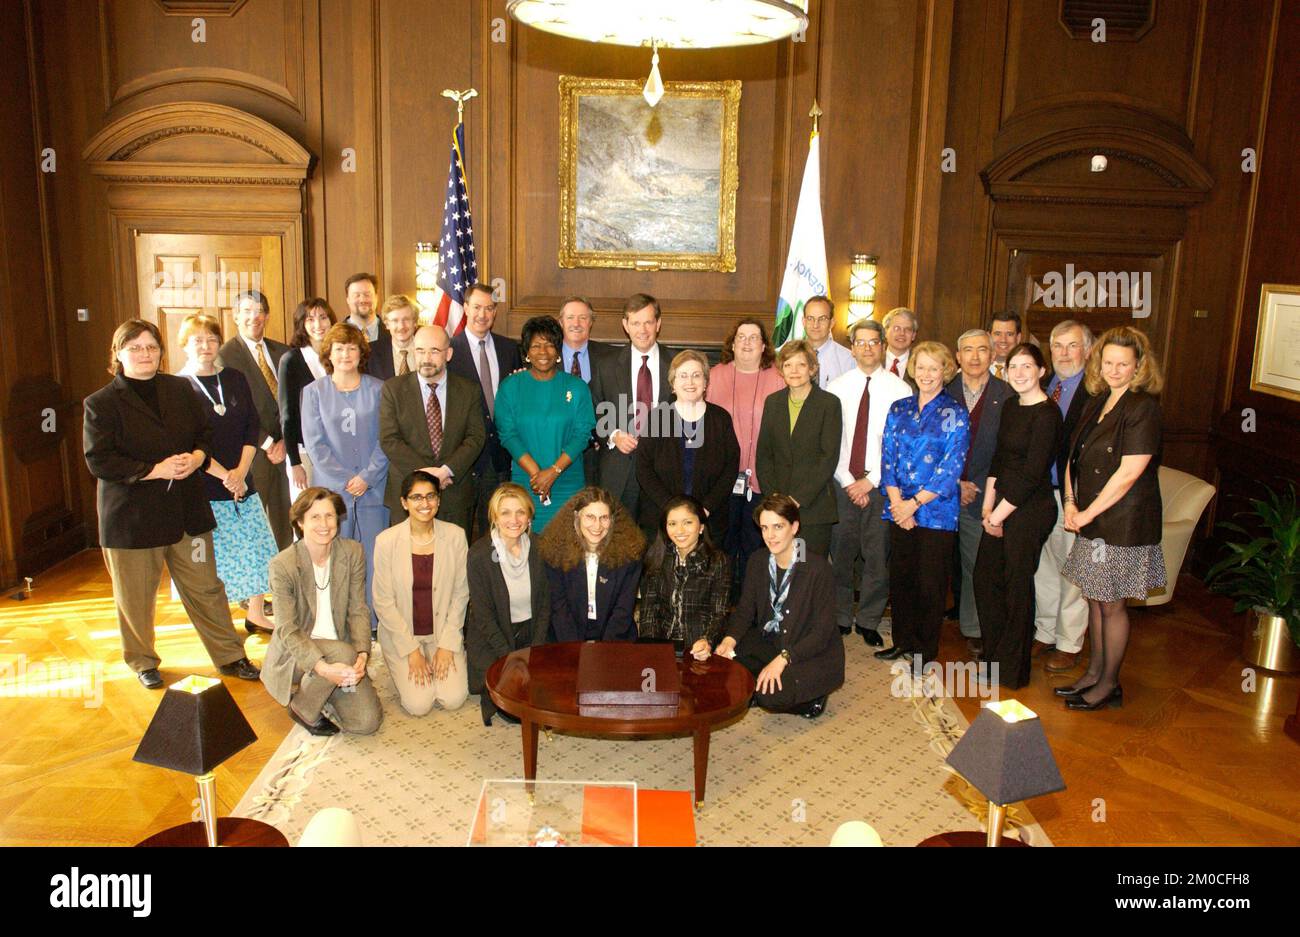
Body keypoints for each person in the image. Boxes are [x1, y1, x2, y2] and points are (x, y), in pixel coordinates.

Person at [83, 319, 259, 689]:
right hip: (132, 521)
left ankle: (230, 655)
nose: (145, 354)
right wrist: (154, 469)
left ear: (161, 352)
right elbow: (100, 461)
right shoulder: (100, 403)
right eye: (135, 348)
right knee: (135, 598)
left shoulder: (181, 389)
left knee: (207, 587)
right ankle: (143, 661)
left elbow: (203, 435)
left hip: (186, 513)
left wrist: (197, 457)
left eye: (151, 347)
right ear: (117, 354)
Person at [1059, 327, 1166, 711]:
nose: (1115, 370)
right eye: (1109, 363)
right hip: (1090, 515)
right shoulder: (1097, 400)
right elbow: (1073, 455)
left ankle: (1108, 684)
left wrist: (1085, 511)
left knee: (1111, 604)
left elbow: (1128, 474)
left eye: (1124, 364)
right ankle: (1093, 673)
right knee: (1094, 597)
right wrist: (1071, 503)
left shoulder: (1143, 408)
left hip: (1123, 522)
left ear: (1139, 366)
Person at [177, 314, 279, 635]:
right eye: (197, 340)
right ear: (185, 346)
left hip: (242, 477)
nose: (206, 346)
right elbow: (187, 440)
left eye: (211, 339)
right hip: (205, 483)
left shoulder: (234, 377)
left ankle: (256, 613)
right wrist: (226, 476)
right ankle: (219, 623)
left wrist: (242, 471)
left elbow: (252, 424)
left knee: (256, 546)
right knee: (215, 558)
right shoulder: (179, 387)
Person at [875, 341, 970, 667]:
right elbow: (887, 459)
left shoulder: (954, 413)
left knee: (929, 586)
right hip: (898, 508)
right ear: (912, 370)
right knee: (901, 580)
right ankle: (902, 642)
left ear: (945, 371)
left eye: (934, 367)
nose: (927, 374)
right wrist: (897, 503)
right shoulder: (898, 408)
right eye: (922, 367)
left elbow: (950, 470)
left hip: (935, 513)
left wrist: (912, 504)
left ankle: (924, 651)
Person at [973, 344, 1062, 689]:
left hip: (1030, 510)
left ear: (1042, 371)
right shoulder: (1011, 406)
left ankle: (1012, 670)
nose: (1020, 373)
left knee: (1016, 587)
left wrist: (998, 516)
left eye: (1028, 366)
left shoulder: (1047, 415)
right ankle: (994, 658)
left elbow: (1030, 474)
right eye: (1014, 367)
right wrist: (987, 505)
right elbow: (999, 459)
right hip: (1000, 505)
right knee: (985, 579)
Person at [261, 487, 382, 736]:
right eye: (315, 517)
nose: (324, 524)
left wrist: (361, 653)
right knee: (340, 652)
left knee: (366, 723)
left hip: (343, 650)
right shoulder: (282, 565)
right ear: (300, 522)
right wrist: (324, 669)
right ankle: (302, 707)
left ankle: (323, 691)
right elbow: (287, 629)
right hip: (296, 653)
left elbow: (358, 608)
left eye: (330, 516)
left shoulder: (352, 552)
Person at [716, 494, 843, 718]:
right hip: (771, 639)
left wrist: (784, 658)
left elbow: (822, 633)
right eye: (765, 528)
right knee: (723, 666)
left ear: (794, 527)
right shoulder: (758, 560)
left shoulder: (816, 568)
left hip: (808, 652)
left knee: (769, 696)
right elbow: (745, 609)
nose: (770, 536)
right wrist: (729, 640)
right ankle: (763, 680)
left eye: (778, 527)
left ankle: (812, 698)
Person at [827, 318, 912, 646]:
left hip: (882, 487)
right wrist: (850, 480)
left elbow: (900, 444)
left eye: (873, 342)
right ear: (852, 348)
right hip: (842, 482)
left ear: (882, 345)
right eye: (860, 342)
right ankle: (840, 616)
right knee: (842, 554)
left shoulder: (900, 389)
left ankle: (869, 620)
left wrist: (871, 481)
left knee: (877, 557)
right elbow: (833, 440)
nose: (866, 347)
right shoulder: (837, 386)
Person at [300, 322, 390, 622]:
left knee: (373, 561)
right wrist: (345, 481)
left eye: (352, 348)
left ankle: (373, 625)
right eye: (339, 348)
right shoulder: (313, 392)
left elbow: (386, 439)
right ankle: (334, 623)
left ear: (361, 352)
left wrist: (366, 477)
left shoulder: (379, 389)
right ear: (329, 352)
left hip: (373, 490)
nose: (346, 354)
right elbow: (315, 444)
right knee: (333, 559)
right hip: (332, 494)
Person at [372, 471, 469, 717]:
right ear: (404, 502)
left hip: (441, 631)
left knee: (454, 698)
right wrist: (412, 651)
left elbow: (461, 594)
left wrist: (447, 644)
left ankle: (440, 656)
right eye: (416, 497)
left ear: (438, 500)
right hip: (403, 635)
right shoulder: (386, 541)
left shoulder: (456, 536)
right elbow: (383, 603)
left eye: (430, 496)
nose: (424, 504)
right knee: (419, 705)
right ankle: (406, 662)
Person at [379, 325, 485, 535]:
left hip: (453, 491)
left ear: (448, 354)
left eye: (434, 351)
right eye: (420, 350)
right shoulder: (393, 389)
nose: (426, 358)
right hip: (409, 493)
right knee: (407, 563)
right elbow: (389, 439)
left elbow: (476, 438)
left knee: (452, 562)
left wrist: (445, 471)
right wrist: (429, 475)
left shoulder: (469, 390)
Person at [1034, 320, 1097, 672]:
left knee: (1074, 571)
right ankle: (1045, 631)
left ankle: (1070, 643)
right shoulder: (1045, 385)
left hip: (1074, 497)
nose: (1064, 353)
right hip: (1039, 493)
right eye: (1057, 345)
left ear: (1087, 350)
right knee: (1044, 566)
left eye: (1072, 346)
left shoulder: (1096, 391)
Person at [706, 317, 785, 598]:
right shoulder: (715, 375)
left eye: (754, 337)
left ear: (764, 345)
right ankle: (722, 602)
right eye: (742, 336)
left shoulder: (778, 378)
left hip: (762, 480)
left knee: (755, 546)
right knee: (723, 544)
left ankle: (752, 604)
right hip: (723, 478)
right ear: (733, 343)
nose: (748, 342)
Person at [495, 316, 596, 532]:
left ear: (558, 351)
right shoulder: (510, 386)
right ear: (527, 352)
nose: (543, 352)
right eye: (536, 346)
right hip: (526, 483)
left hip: (568, 482)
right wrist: (537, 475)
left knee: (567, 547)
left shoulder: (577, 387)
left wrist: (553, 471)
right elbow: (508, 435)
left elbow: (582, 434)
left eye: (550, 345)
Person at [946, 328, 1013, 656]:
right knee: (936, 563)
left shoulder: (1008, 395)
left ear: (992, 355)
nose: (974, 356)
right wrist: (956, 482)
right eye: (967, 350)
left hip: (986, 496)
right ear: (957, 356)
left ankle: (973, 626)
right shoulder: (942, 393)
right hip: (943, 494)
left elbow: (1009, 451)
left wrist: (980, 485)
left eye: (981, 350)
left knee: (977, 565)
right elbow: (931, 447)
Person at [466, 482, 550, 725]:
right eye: (505, 513)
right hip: (495, 638)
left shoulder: (540, 547)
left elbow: (545, 605)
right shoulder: (480, 555)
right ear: (494, 517)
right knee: (513, 711)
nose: (514, 519)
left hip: (531, 633)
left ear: (529, 515)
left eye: (520, 512)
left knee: (548, 695)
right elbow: (483, 616)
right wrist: (510, 659)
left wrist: (536, 650)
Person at [635, 350, 739, 546]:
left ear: (706, 382)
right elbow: (643, 468)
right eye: (683, 376)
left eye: (696, 375)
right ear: (673, 384)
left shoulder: (721, 418)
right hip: (661, 520)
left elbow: (730, 468)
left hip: (709, 521)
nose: (690, 382)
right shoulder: (658, 418)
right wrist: (672, 510)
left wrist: (705, 508)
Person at [219, 289, 293, 549]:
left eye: (260, 310)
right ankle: (255, 588)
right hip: (251, 453)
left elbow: (293, 401)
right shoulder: (225, 356)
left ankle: (283, 581)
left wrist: (285, 440)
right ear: (235, 316)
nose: (254, 317)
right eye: (247, 311)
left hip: (287, 452)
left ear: (267, 315)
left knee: (287, 520)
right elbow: (233, 410)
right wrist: (269, 443)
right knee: (253, 524)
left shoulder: (283, 351)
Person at [449, 282, 522, 540]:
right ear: (466, 308)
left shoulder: (510, 349)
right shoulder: (449, 350)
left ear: (495, 312)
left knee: (497, 535)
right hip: (464, 461)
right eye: (477, 307)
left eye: (489, 308)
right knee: (459, 537)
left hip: (499, 459)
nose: (482, 314)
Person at [754, 339, 842, 557]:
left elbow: (828, 457)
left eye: (801, 365)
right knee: (780, 569)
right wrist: (775, 496)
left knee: (808, 573)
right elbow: (764, 454)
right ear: (781, 370)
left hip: (813, 509)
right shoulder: (773, 402)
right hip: (778, 509)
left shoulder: (828, 404)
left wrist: (797, 498)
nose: (794, 371)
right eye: (788, 365)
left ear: (812, 368)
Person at [591, 293, 672, 522]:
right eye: (636, 323)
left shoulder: (677, 363)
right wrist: (614, 434)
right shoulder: (606, 365)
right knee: (617, 541)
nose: (643, 329)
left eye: (648, 322)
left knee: (658, 540)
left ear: (658, 323)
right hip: (619, 468)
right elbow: (594, 407)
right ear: (625, 325)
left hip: (663, 469)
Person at [537, 487, 645, 642]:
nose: (597, 525)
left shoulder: (629, 556)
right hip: (566, 637)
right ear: (576, 517)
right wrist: (576, 652)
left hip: (615, 638)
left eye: (604, 518)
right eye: (590, 517)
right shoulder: (555, 555)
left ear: (612, 520)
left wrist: (604, 652)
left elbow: (623, 611)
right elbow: (559, 610)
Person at [637, 496, 730, 657]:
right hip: (661, 645)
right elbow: (648, 610)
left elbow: (719, 613)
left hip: (699, 648)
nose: (679, 531)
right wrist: (652, 646)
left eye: (687, 522)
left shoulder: (717, 561)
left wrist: (707, 640)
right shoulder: (657, 557)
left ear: (701, 527)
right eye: (672, 524)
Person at [278, 298, 337, 503]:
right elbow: (287, 414)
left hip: (336, 449)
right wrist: (294, 463)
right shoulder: (291, 360)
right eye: (310, 319)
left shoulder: (339, 356)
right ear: (302, 324)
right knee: (306, 512)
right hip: (304, 452)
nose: (318, 324)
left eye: (323, 317)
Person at [557, 295, 615, 485]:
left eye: (583, 318)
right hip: (558, 450)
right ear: (561, 322)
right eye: (570, 317)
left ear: (591, 322)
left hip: (599, 452)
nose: (576, 323)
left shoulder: (611, 357)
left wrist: (603, 435)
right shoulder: (544, 356)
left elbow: (615, 401)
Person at [801, 295, 854, 389]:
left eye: (822, 319)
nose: (815, 325)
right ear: (803, 322)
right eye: (810, 318)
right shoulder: (790, 355)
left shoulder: (848, 359)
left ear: (832, 323)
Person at [365, 294, 419, 381]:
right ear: (386, 324)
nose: (401, 326)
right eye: (395, 320)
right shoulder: (371, 353)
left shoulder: (428, 349)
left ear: (415, 322)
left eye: (406, 319)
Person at [344, 272, 384, 342]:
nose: (362, 300)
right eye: (357, 295)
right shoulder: (335, 335)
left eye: (367, 295)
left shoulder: (392, 332)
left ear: (376, 297)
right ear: (348, 300)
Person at [881, 307, 918, 380]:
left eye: (907, 329)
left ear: (913, 335)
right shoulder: (873, 360)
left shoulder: (921, 363)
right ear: (885, 332)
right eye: (896, 328)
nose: (902, 333)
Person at [988, 312, 1023, 381]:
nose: (1003, 340)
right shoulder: (972, 370)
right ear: (988, 337)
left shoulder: (1026, 373)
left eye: (1009, 334)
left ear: (1018, 338)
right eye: (997, 334)